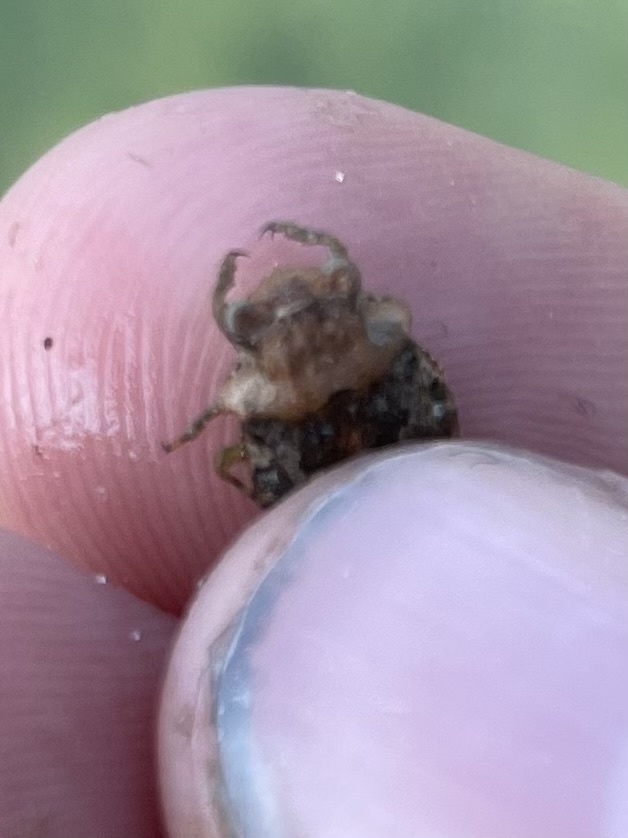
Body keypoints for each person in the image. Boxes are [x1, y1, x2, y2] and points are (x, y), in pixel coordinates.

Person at [0, 87, 626, 838]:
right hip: (392, 456)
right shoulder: (378, 349)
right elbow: (425, 389)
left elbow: (230, 446)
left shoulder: (261, 391)